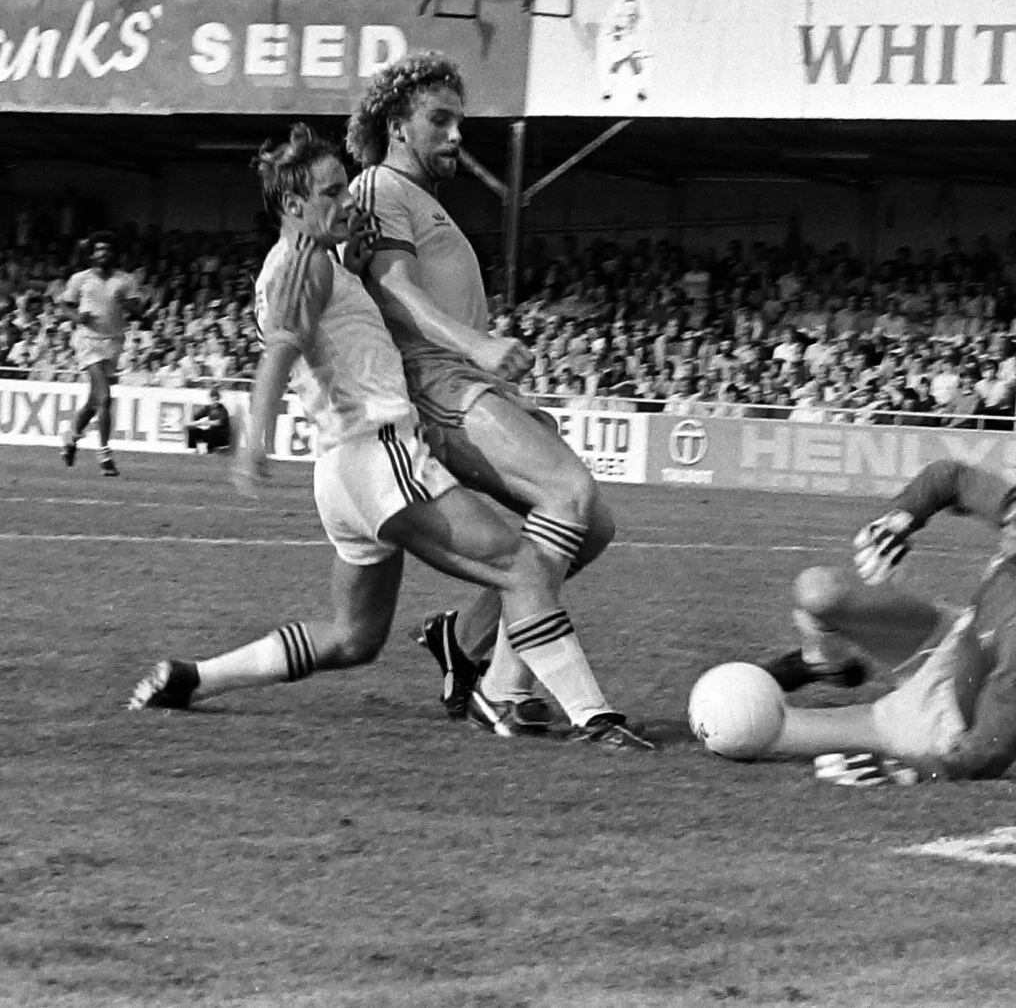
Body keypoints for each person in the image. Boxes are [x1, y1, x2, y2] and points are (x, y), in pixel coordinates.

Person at [126, 124, 653, 750]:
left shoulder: (312, 262)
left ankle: (191, 679)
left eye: (345, 188)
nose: (346, 201)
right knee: (520, 564)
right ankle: (590, 716)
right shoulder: (300, 264)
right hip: (381, 454)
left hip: (343, 474)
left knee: (355, 638)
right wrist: (252, 443)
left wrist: (350, 250)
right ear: (294, 208)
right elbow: (278, 352)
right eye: (330, 194)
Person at [345, 54, 623, 738]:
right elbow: (396, 291)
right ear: (397, 126)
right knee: (568, 494)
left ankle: (462, 641)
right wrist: (479, 350)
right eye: (439, 120)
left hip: (466, 381)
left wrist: (494, 381)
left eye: (458, 121)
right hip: (433, 382)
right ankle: (501, 689)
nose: (455, 135)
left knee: (594, 527)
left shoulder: (422, 200)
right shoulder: (380, 188)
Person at [755, 453, 1016, 785]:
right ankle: (824, 664)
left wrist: (908, 767)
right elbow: (950, 477)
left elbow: (988, 752)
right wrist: (901, 520)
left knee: (757, 726)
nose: (1010, 516)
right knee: (817, 591)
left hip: (942, 719)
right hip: (955, 642)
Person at [58, 232, 145, 477]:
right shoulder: (80, 279)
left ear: (114, 253)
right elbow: (64, 304)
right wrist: (77, 318)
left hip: (114, 341)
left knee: (93, 401)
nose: (103, 253)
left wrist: (128, 305)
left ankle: (71, 439)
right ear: (92, 254)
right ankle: (105, 455)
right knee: (105, 397)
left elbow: (138, 311)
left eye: (107, 249)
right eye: (99, 250)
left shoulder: (126, 280)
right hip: (87, 341)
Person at [185, 387, 233, 454]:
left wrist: (205, 423)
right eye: (213, 398)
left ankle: (211, 449)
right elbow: (196, 416)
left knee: (213, 430)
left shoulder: (222, 410)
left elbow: (219, 422)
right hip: (210, 430)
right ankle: (193, 449)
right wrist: (193, 423)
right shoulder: (208, 408)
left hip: (220, 434)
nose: (214, 400)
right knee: (193, 429)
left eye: (216, 398)